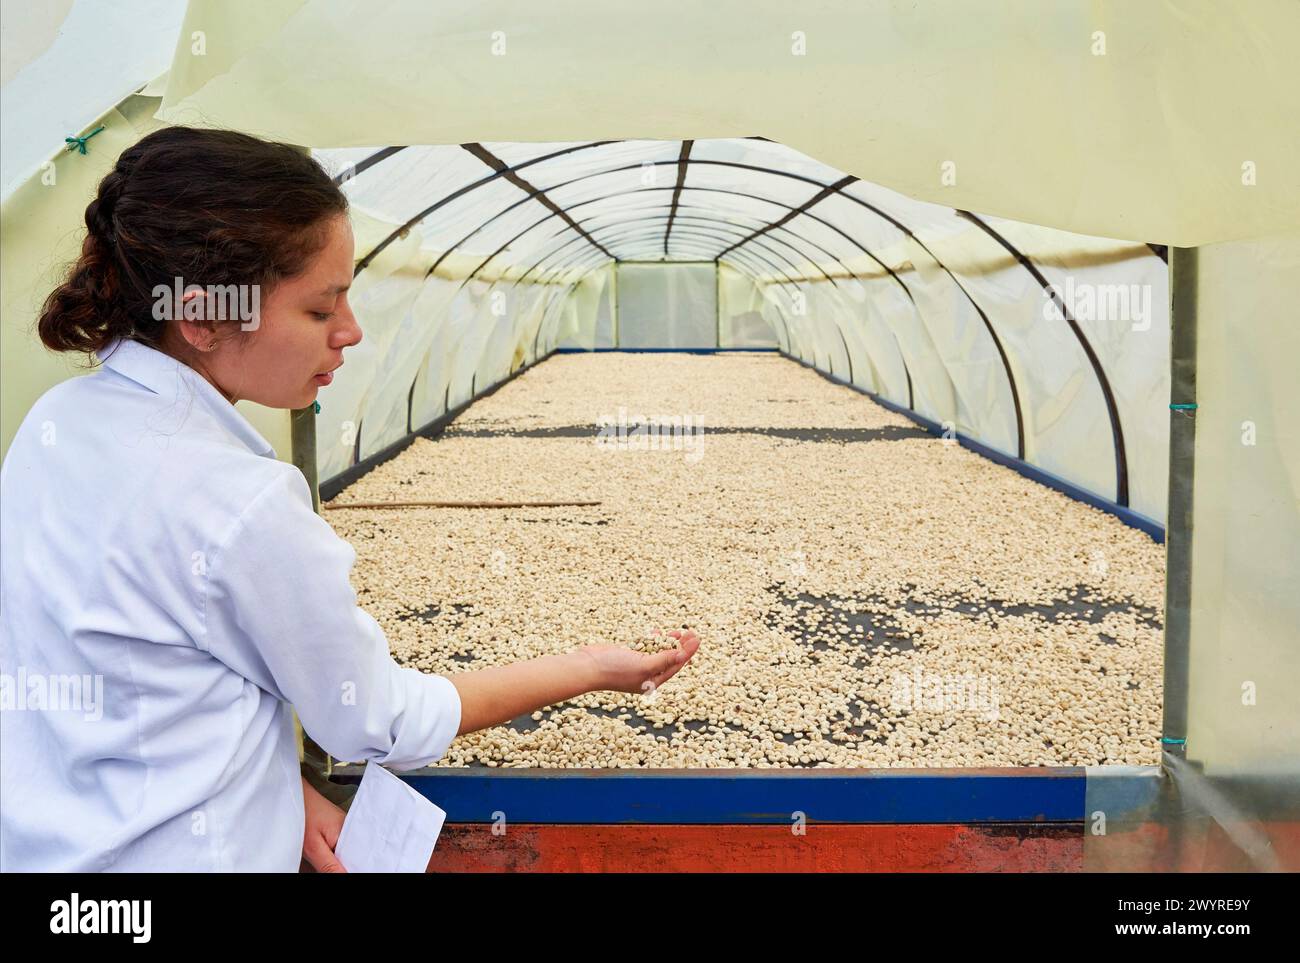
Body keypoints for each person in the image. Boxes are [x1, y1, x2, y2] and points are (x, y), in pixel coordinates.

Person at [0, 126, 699, 872]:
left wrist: (273, 785)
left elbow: (121, 663)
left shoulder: (55, 425)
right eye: (319, 309)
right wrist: (587, 667)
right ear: (202, 316)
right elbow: (375, 718)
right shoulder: (242, 501)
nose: (351, 332)